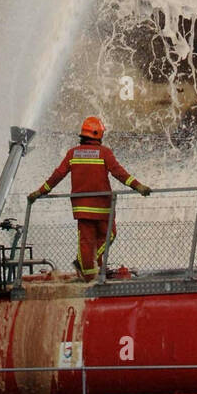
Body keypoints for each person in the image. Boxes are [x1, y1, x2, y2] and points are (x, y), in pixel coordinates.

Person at [28, 116, 151, 280]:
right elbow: (119, 173)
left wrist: (40, 191)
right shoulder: (104, 153)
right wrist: (138, 186)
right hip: (103, 207)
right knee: (109, 235)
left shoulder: (73, 153)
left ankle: (89, 273)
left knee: (86, 243)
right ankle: (89, 266)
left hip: (82, 208)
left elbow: (58, 175)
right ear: (98, 134)